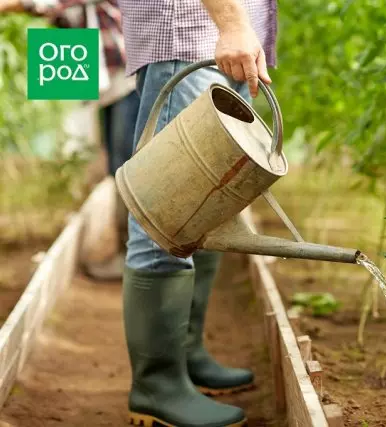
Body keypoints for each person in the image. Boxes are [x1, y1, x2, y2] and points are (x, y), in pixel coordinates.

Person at [116, 0, 276, 426]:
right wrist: (232, 23)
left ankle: (184, 355)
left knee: (208, 208)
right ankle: (157, 384)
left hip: (223, 40)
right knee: (167, 216)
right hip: (190, 35)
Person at [0, 0, 140, 281]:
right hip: (112, 82)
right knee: (117, 165)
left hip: (129, 77)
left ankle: (136, 258)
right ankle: (131, 254)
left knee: (130, 165)